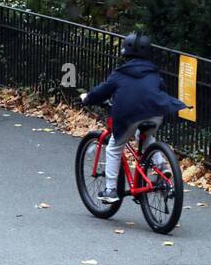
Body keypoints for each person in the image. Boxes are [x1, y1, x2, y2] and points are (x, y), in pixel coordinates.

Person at [79, 33, 186, 203]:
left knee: (114, 146)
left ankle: (111, 190)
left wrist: (88, 98)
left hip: (130, 116)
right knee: (146, 136)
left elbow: (102, 92)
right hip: (155, 113)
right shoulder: (153, 72)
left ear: (125, 52)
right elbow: (162, 88)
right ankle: (161, 166)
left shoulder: (120, 73)